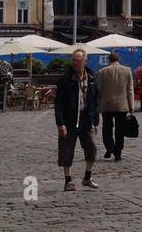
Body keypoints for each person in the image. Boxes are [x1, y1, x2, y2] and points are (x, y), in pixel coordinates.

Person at [55, 48, 100, 191]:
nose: (75, 63)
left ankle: (87, 177)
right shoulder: (66, 79)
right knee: (66, 151)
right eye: (73, 60)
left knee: (91, 149)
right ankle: (68, 180)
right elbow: (59, 103)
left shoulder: (92, 78)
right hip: (69, 120)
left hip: (86, 120)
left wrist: (95, 121)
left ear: (85, 61)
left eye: (78, 60)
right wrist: (60, 123)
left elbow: (95, 101)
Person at [97, 54, 134, 161]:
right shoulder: (127, 70)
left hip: (107, 104)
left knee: (107, 127)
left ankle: (109, 146)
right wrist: (131, 106)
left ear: (109, 60)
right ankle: (118, 152)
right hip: (122, 104)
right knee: (120, 129)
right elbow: (130, 90)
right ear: (119, 59)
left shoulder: (102, 71)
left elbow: (98, 89)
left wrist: (99, 103)